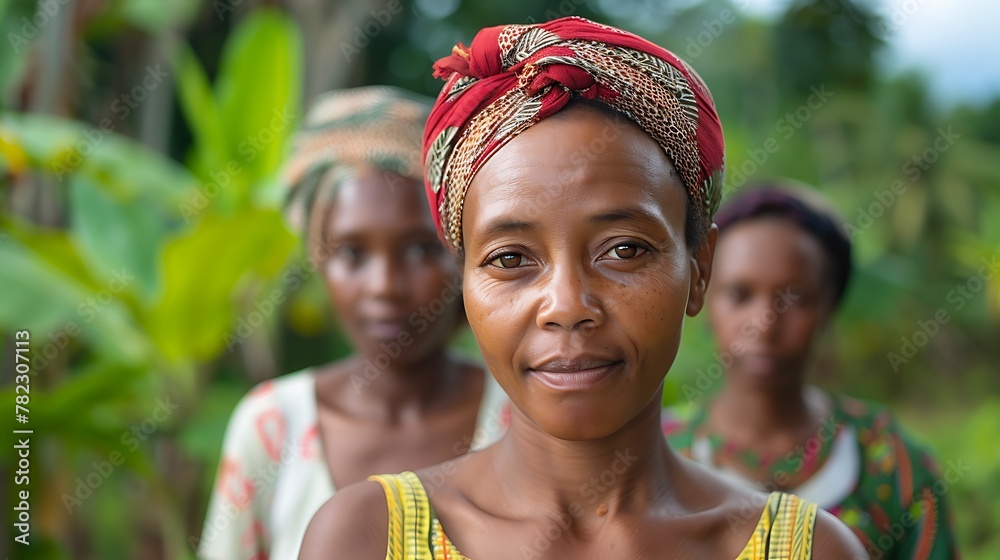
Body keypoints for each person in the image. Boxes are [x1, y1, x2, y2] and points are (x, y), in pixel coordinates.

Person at [300, 17, 867, 559]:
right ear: (464, 283)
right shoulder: (365, 538)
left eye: (624, 250)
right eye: (511, 258)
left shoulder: (811, 550)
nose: (567, 306)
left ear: (699, 269)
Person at [197, 86, 508, 560]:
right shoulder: (272, 427)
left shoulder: (527, 418)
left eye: (421, 249)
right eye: (351, 253)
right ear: (318, 259)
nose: (384, 286)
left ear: (463, 254)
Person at [663, 184, 959, 559]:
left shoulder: (892, 465)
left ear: (829, 307)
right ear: (702, 291)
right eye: (739, 294)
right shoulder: (654, 455)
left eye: (795, 298)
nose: (764, 324)